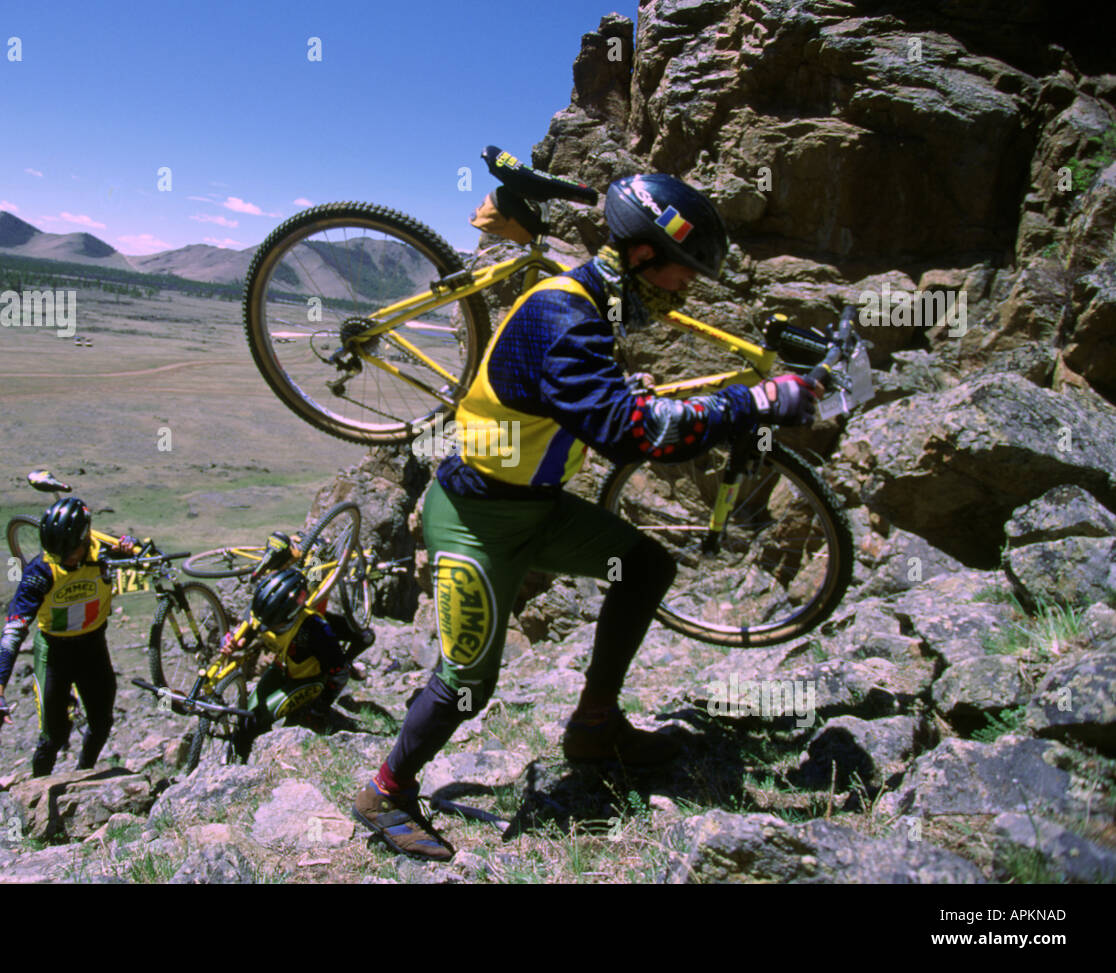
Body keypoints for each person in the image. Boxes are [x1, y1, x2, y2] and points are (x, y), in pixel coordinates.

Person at [351, 172, 821, 861]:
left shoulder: (593, 306)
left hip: (532, 508)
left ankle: (595, 725)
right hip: (474, 519)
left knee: (646, 563)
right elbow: (632, 435)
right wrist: (754, 403)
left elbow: (587, 399)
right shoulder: (566, 314)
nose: (684, 288)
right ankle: (385, 790)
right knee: (467, 683)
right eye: (681, 270)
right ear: (638, 258)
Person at [0, 497, 136, 776]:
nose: (64, 560)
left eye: (70, 553)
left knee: (102, 723)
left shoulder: (104, 555)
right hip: (54, 653)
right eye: (56, 553)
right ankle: (39, 788)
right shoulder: (41, 571)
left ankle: (83, 772)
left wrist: (130, 546)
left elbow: (150, 555)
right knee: (54, 735)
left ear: (85, 539)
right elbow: (12, 633)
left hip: (93, 648)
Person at [219, 566, 373, 752]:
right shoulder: (263, 613)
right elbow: (244, 632)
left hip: (308, 680)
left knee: (257, 717)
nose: (265, 627)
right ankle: (242, 750)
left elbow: (339, 671)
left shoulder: (314, 629)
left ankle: (248, 755)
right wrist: (232, 642)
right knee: (245, 717)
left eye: (272, 624)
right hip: (281, 669)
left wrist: (319, 708)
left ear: (289, 615)